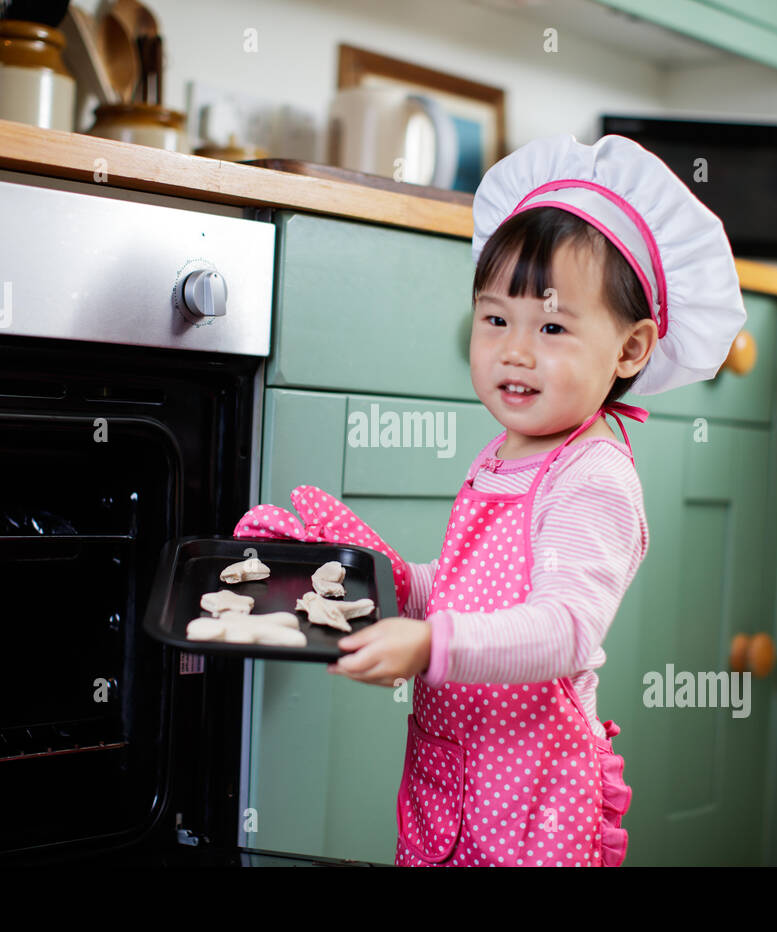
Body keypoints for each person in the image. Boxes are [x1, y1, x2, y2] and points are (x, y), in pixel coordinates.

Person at [234, 132, 748, 866]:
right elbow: (478, 588)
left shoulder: (592, 476)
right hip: (462, 784)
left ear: (631, 350)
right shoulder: (505, 451)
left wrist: (432, 644)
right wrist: (394, 582)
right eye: (496, 318)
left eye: (552, 327)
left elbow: (566, 625)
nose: (514, 349)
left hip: (533, 806)